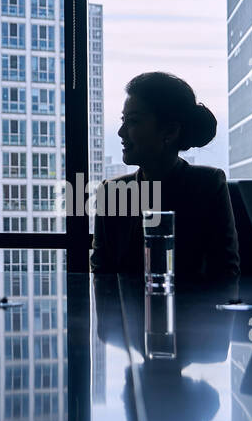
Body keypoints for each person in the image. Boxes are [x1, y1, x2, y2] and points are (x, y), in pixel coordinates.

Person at [91, 72, 239, 282]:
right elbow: (101, 275)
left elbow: (225, 272)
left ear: (169, 131)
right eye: (124, 120)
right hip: (128, 314)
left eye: (133, 121)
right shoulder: (111, 192)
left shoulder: (208, 185)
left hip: (193, 312)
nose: (121, 132)